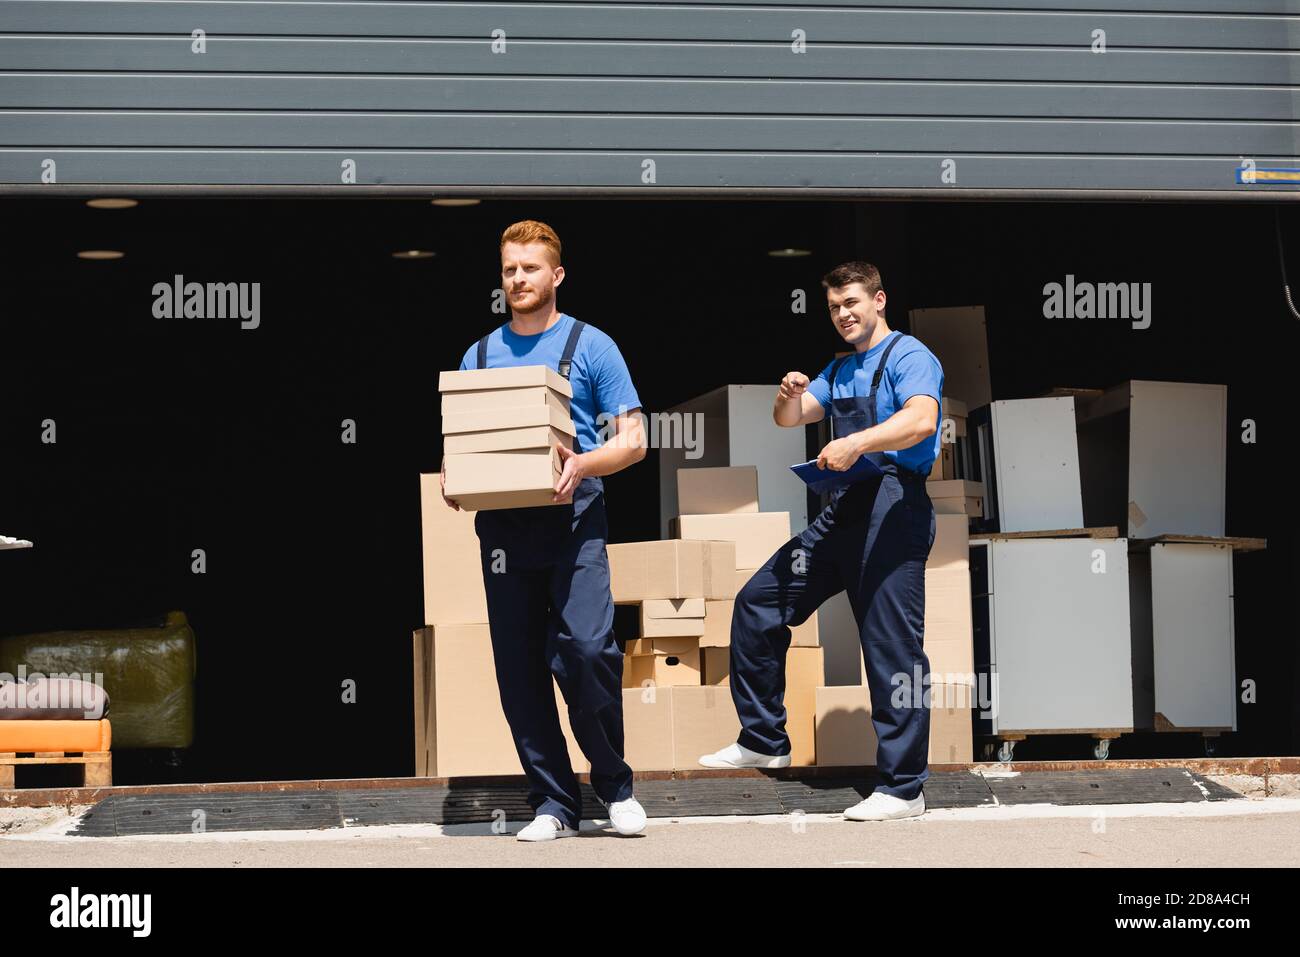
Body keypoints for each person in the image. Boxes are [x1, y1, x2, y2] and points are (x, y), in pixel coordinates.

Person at [699, 261, 944, 822]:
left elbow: (922, 421)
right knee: (759, 602)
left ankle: (905, 788)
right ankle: (764, 737)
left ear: (880, 300)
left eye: (853, 302)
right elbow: (792, 419)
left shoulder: (909, 356)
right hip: (846, 508)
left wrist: (856, 442)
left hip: (894, 504)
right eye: (834, 307)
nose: (843, 314)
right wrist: (789, 394)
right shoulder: (839, 368)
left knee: (890, 647)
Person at [442, 220, 648, 841]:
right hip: (504, 531)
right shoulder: (477, 355)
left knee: (587, 651)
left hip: (575, 519)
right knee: (519, 668)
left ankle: (614, 788)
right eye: (509, 270)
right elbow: (465, 444)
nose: (518, 280)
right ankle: (554, 804)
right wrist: (458, 476)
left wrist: (582, 462)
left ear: (555, 275)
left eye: (530, 269)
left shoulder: (592, 347)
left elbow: (634, 439)